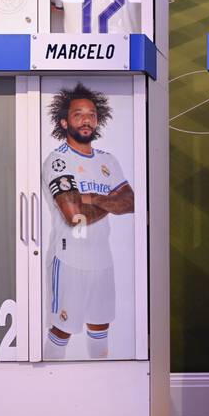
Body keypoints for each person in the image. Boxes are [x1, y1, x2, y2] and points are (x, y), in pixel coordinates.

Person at [42, 83, 136, 360]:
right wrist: (109, 200)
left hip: (102, 259)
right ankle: (49, 384)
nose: (86, 120)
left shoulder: (108, 161)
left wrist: (91, 196)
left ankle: (100, 383)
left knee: (100, 326)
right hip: (69, 258)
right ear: (64, 121)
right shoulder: (58, 161)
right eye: (78, 114)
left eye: (92, 115)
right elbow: (74, 217)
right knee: (62, 330)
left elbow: (130, 203)